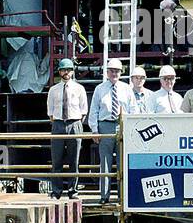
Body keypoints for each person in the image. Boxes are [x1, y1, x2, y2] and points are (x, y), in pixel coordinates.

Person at [87, 58, 133, 203]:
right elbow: (93, 110)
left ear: (121, 72)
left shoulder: (127, 89)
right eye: (112, 71)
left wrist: (130, 129)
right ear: (107, 72)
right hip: (105, 126)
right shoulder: (99, 89)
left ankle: (122, 196)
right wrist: (95, 130)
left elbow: (133, 110)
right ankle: (104, 196)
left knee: (122, 163)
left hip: (122, 126)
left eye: (117, 71)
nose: (114, 73)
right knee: (105, 163)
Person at [46, 58, 87, 197]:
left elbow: (83, 111)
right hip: (58, 124)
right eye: (63, 70)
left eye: (68, 70)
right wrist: (58, 123)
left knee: (74, 160)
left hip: (74, 123)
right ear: (59, 71)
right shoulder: (53, 90)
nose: (66, 72)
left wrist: (75, 123)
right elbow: (50, 112)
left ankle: (73, 190)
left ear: (72, 71)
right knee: (56, 159)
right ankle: (56, 191)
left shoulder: (79, 88)